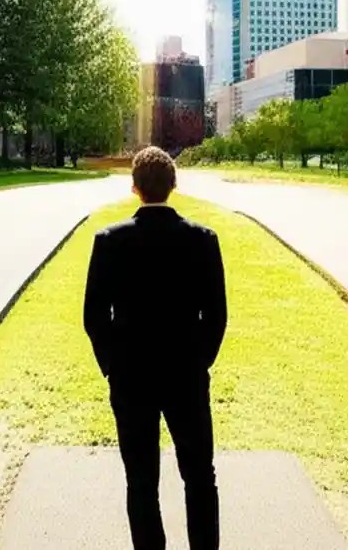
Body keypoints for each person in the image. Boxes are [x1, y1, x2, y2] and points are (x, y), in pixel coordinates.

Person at [83, 146, 228, 550]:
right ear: (174, 184)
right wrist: (200, 361)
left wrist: (111, 365)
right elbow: (216, 315)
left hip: (131, 377)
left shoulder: (109, 241)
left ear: (134, 187)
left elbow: (94, 316)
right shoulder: (203, 240)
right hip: (186, 375)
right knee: (200, 475)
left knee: (141, 480)